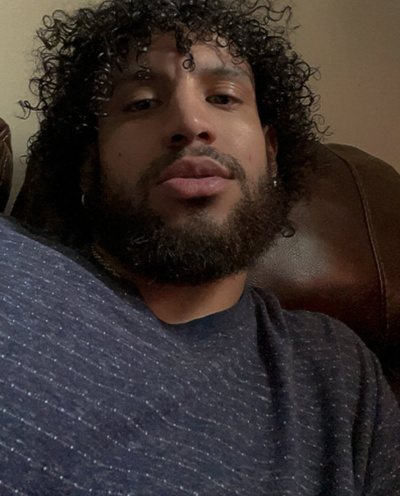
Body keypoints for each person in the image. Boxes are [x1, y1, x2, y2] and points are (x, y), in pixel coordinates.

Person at [1, 0, 399, 494]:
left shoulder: (338, 374)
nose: (190, 123)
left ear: (271, 152)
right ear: (90, 164)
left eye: (224, 97)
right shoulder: (11, 266)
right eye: (142, 102)